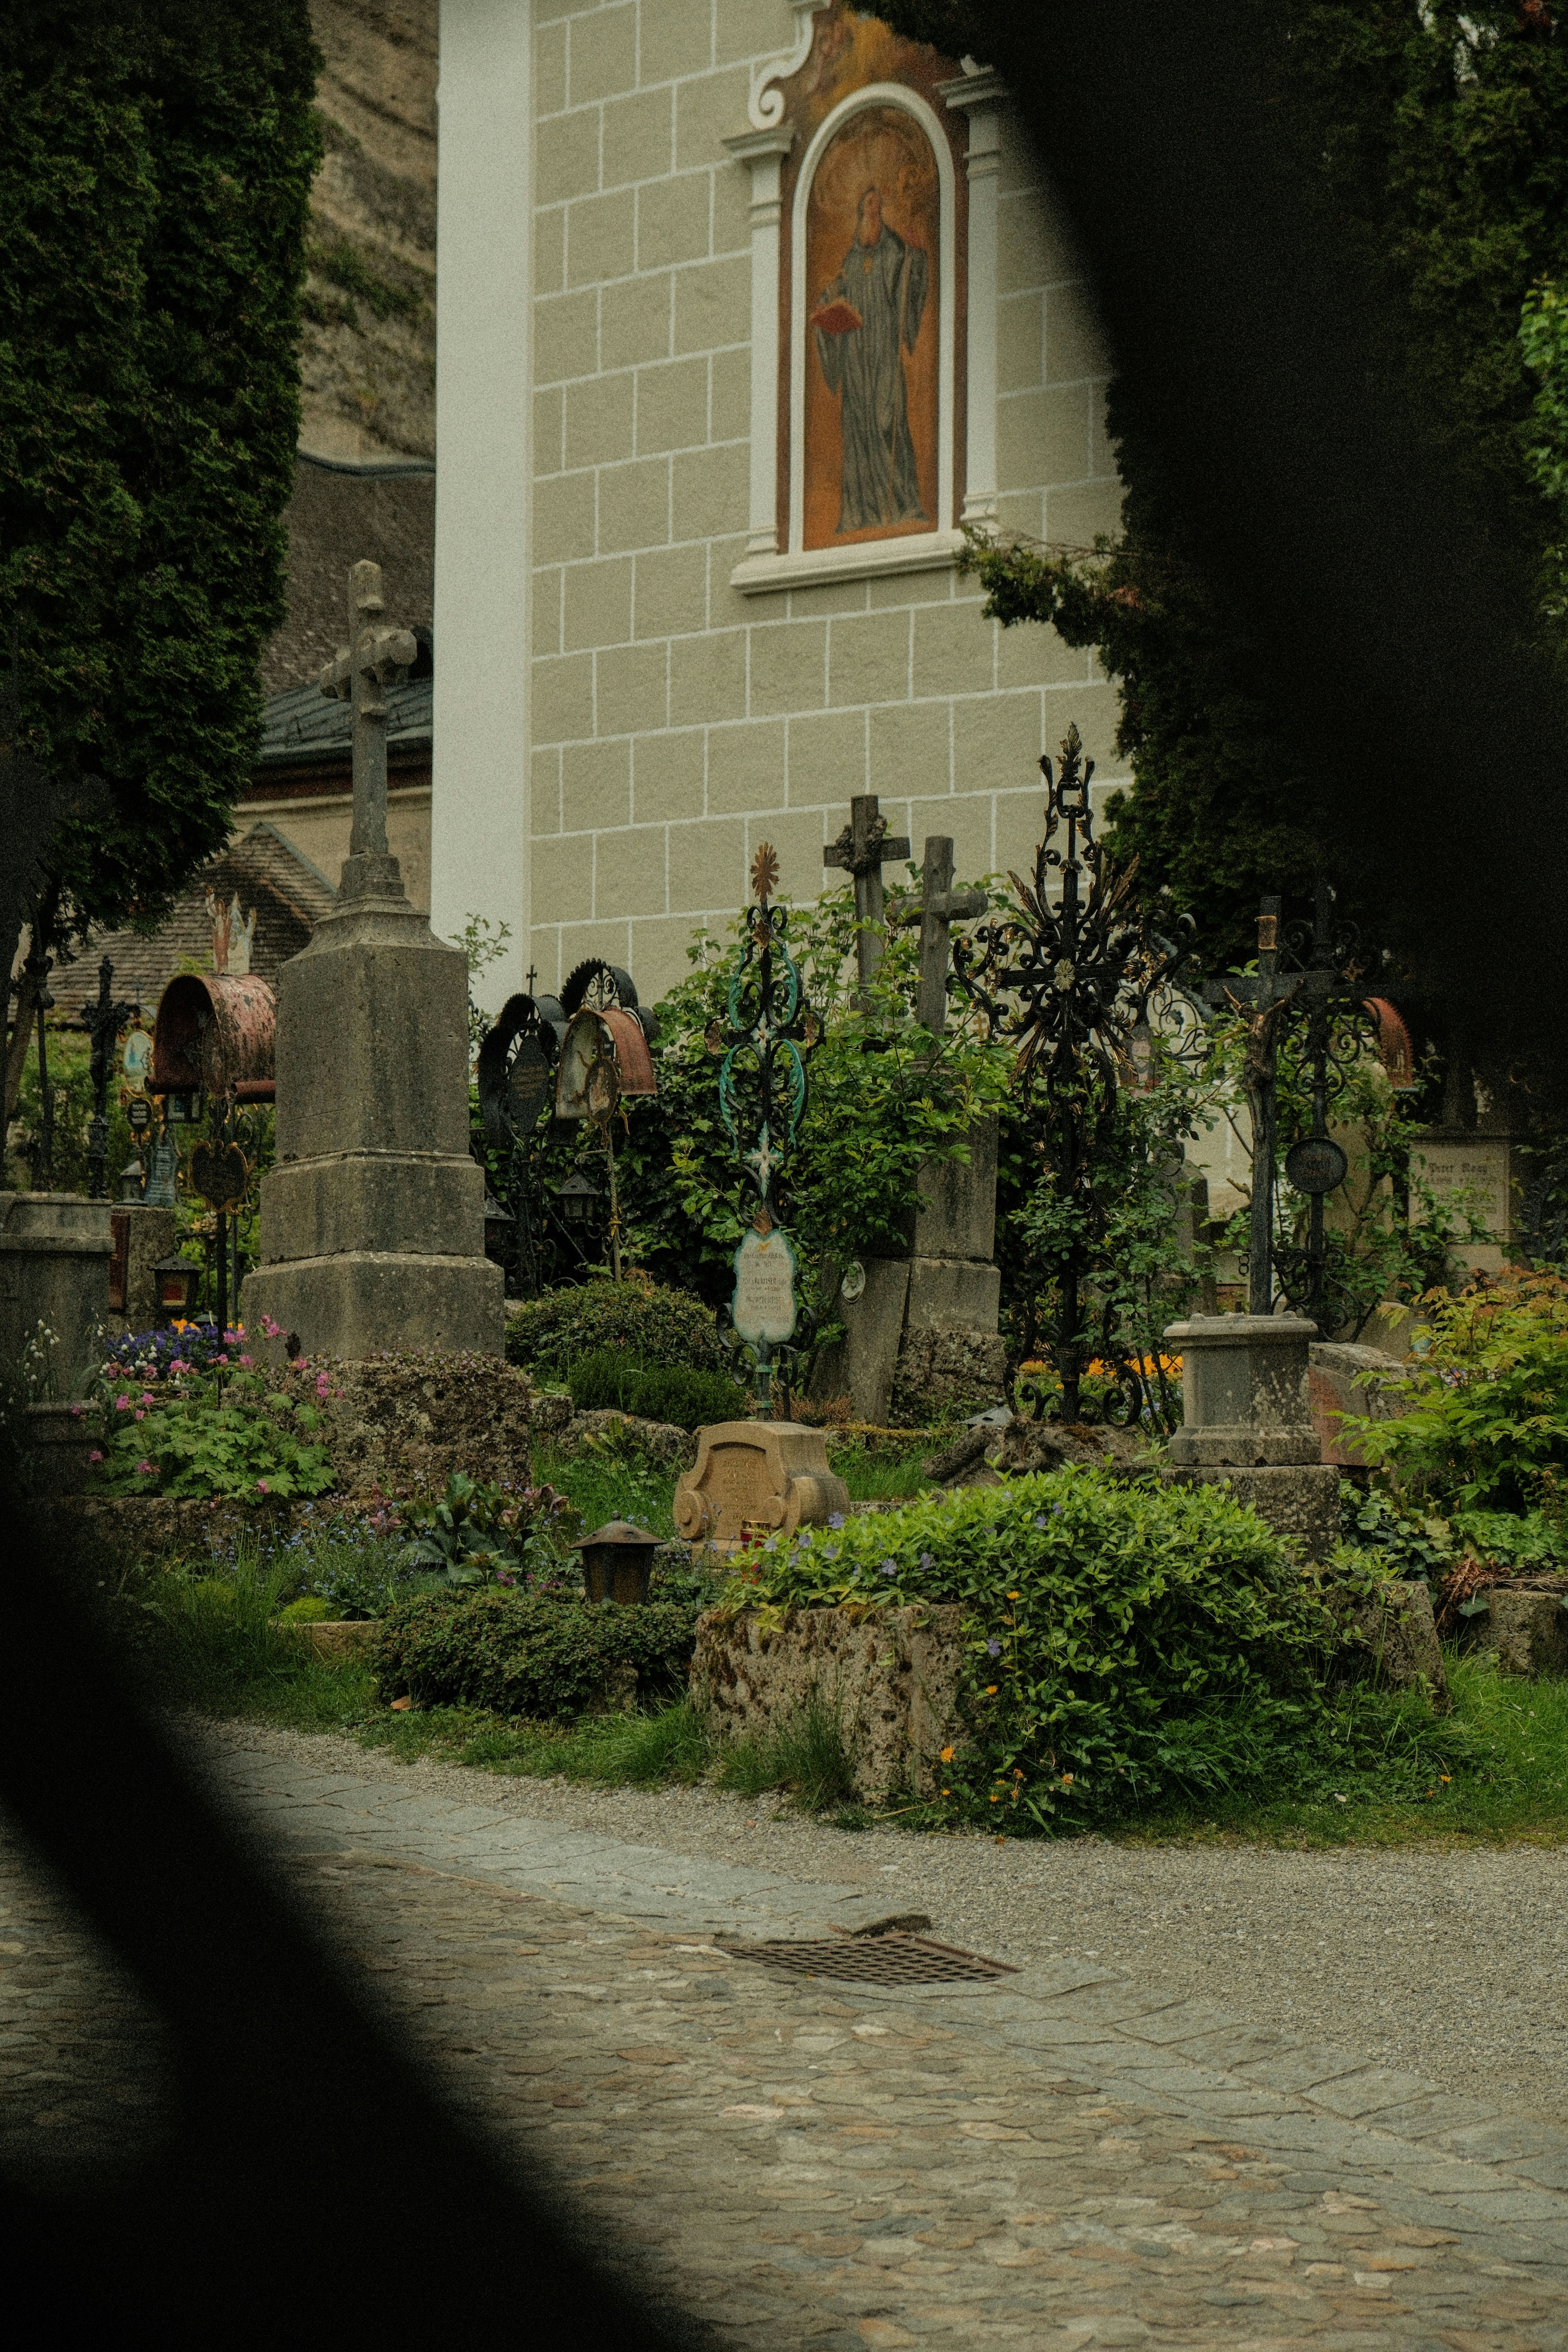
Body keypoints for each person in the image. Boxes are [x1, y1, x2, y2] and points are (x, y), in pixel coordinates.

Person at [812, 186, 929, 533]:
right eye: (866, 206)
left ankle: (903, 506)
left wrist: (917, 256)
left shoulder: (894, 251)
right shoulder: (851, 260)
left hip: (882, 348)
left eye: (876, 206)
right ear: (861, 214)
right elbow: (836, 290)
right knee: (858, 426)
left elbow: (910, 283)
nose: (871, 211)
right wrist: (824, 306)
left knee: (886, 419)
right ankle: (859, 514)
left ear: (881, 214)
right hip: (854, 354)